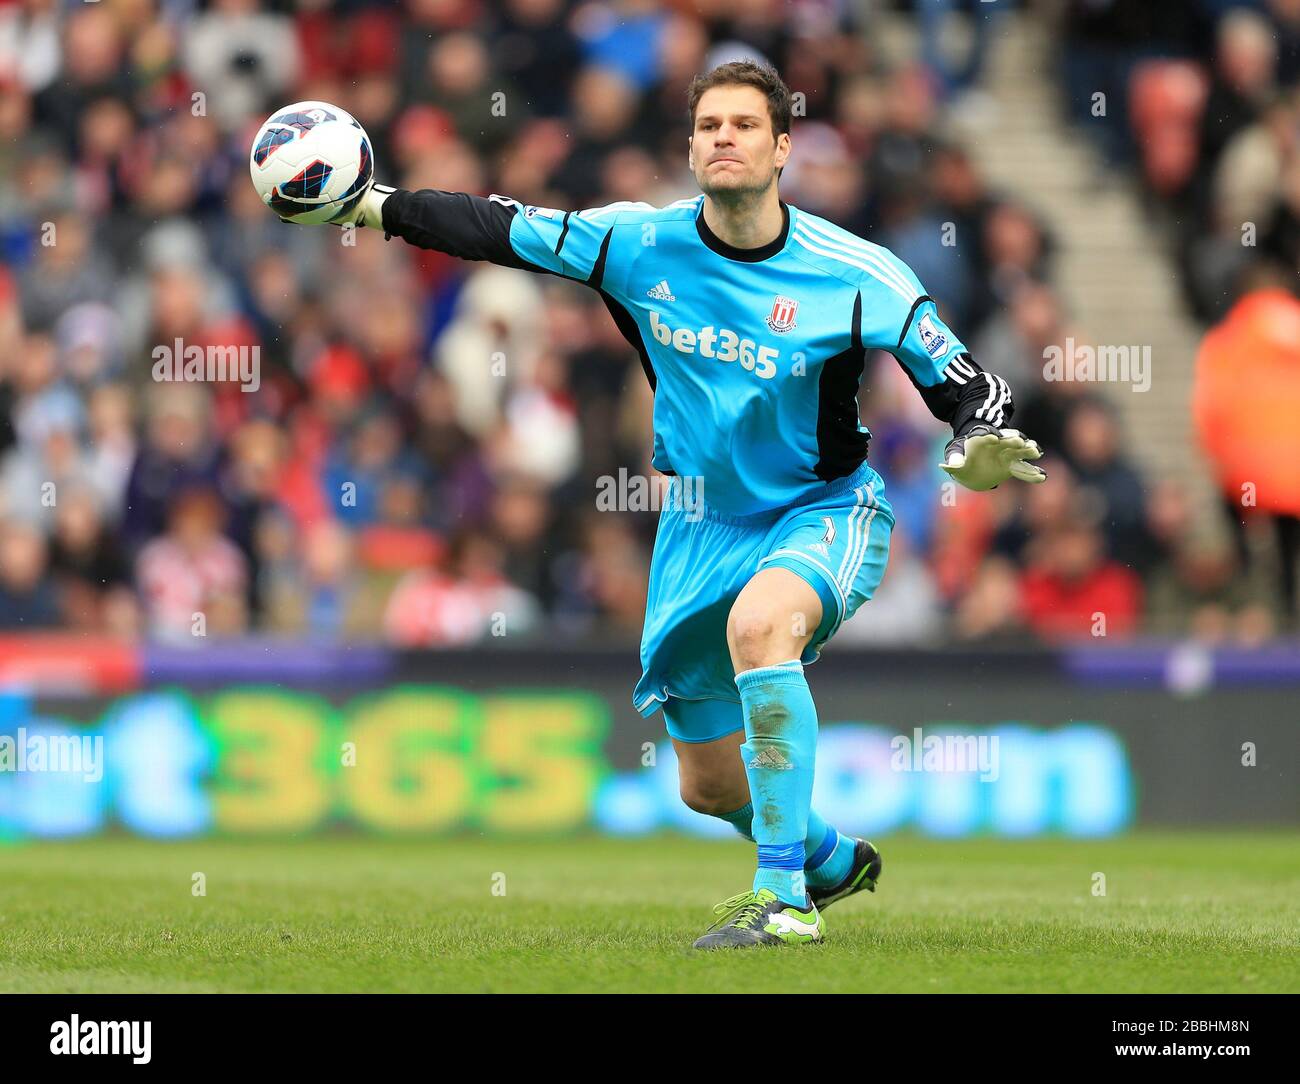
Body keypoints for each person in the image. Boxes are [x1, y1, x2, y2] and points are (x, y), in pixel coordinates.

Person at [274, 61, 1045, 949]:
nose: (724, 137)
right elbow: (497, 228)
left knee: (763, 630)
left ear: (782, 147)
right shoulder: (637, 244)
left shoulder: (855, 272)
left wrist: (975, 437)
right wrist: (372, 206)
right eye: (709, 125)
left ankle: (784, 901)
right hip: (699, 525)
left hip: (823, 509)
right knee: (709, 787)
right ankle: (829, 859)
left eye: (745, 125)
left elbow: (962, 378)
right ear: (689, 147)